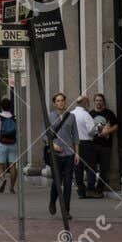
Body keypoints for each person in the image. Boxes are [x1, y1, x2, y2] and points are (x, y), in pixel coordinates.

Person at [45, 92, 79, 228]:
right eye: (58, 101)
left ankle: (66, 211)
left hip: (69, 153)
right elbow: (44, 135)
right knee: (57, 181)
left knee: (68, 182)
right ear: (54, 103)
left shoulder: (71, 117)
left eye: (62, 101)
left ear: (65, 102)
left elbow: (75, 136)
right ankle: (53, 201)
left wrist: (77, 153)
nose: (60, 103)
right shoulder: (50, 116)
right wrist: (52, 145)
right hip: (56, 155)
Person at [85, 93, 118, 196]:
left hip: (105, 145)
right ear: (94, 102)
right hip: (93, 145)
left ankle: (99, 190)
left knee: (104, 168)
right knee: (92, 168)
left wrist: (108, 131)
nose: (98, 102)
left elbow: (116, 125)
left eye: (100, 100)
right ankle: (91, 189)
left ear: (103, 102)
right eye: (97, 100)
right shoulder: (90, 114)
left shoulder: (109, 113)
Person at [0, 98, 19, 194]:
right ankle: (12, 187)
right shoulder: (14, 118)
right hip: (13, 143)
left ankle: (3, 180)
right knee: (13, 165)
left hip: (2, 143)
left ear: (2, 106)